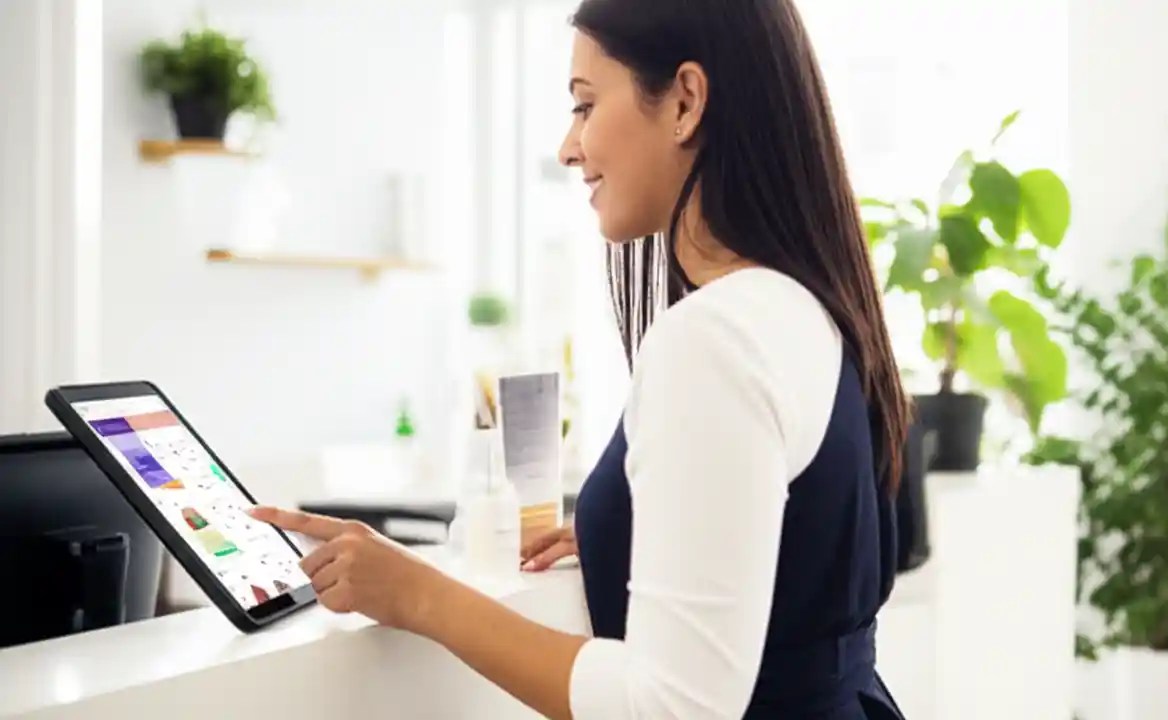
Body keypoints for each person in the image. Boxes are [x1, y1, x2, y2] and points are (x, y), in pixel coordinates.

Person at [250, 0, 911, 717]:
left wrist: (416, 592)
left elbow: (671, 706)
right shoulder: (807, 308)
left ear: (686, 101)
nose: (570, 147)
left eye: (585, 105)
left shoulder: (713, 337)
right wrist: (629, 528)